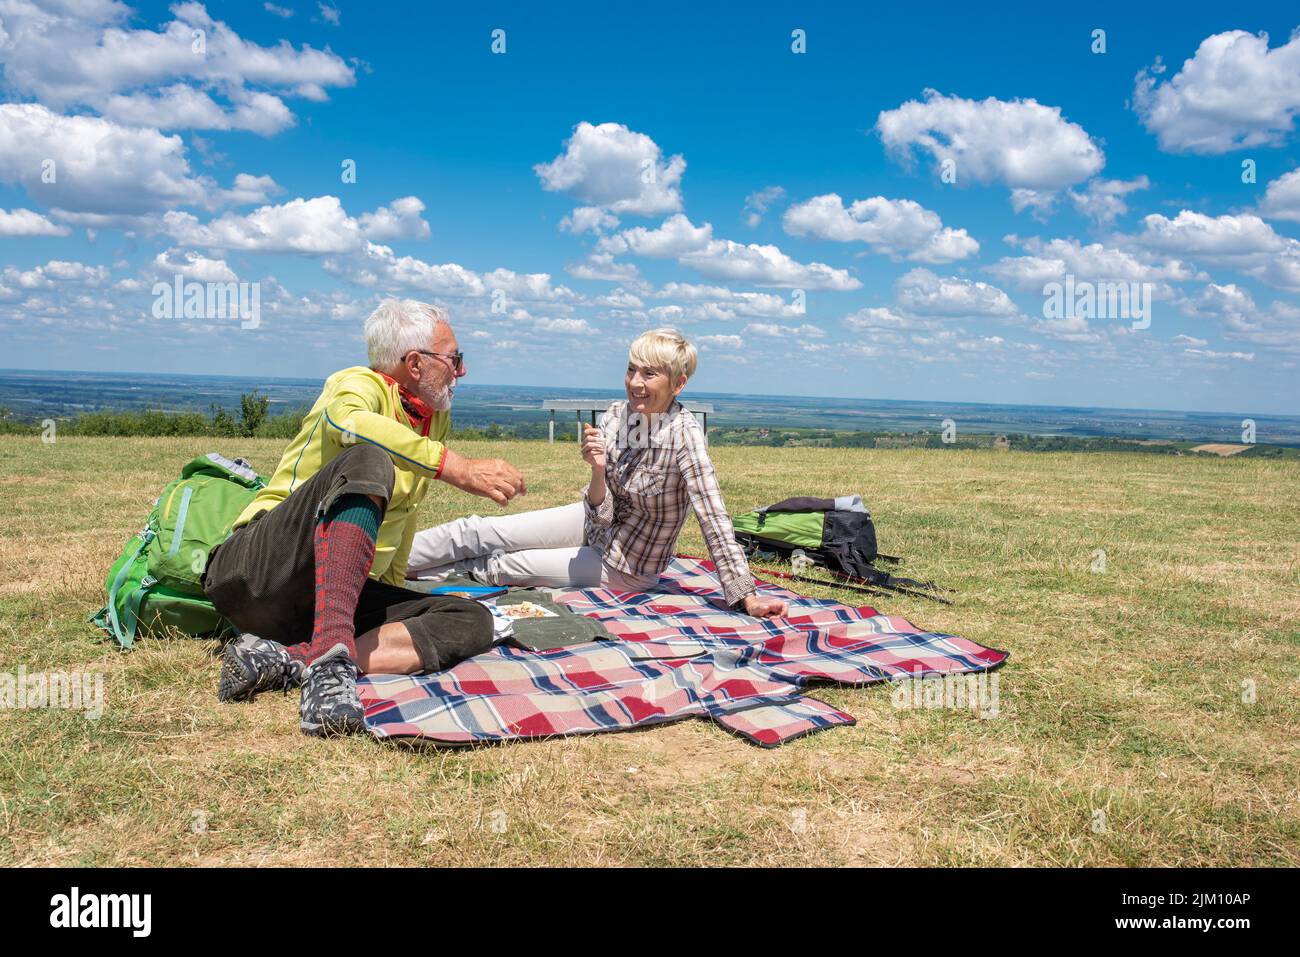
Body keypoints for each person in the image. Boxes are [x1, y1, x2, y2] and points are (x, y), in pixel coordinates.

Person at [203, 298, 527, 736]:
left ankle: (299, 659)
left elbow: (405, 516)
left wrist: (392, 598)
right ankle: (333, 660)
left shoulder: (434, 419)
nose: (462, 371)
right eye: (455, 359)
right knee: (370, 460)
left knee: (473, 619)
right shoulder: (355, 384)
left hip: (329, 596)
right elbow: (350, 422)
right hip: (257, 574)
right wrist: (457, 467)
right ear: (415, 363)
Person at [406, 328, 789, 618]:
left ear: (678, 383)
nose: (636, 383)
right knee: (478, 530)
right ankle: (379, 562)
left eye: (650, 374)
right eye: (632, 370)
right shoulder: (616, 415)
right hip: (593, 524)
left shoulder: (685, 437)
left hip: (626, 566)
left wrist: (745, 595)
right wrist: (598, 471)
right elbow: (599, 512)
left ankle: (397, 585)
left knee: (499, 566)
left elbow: (714, 517)